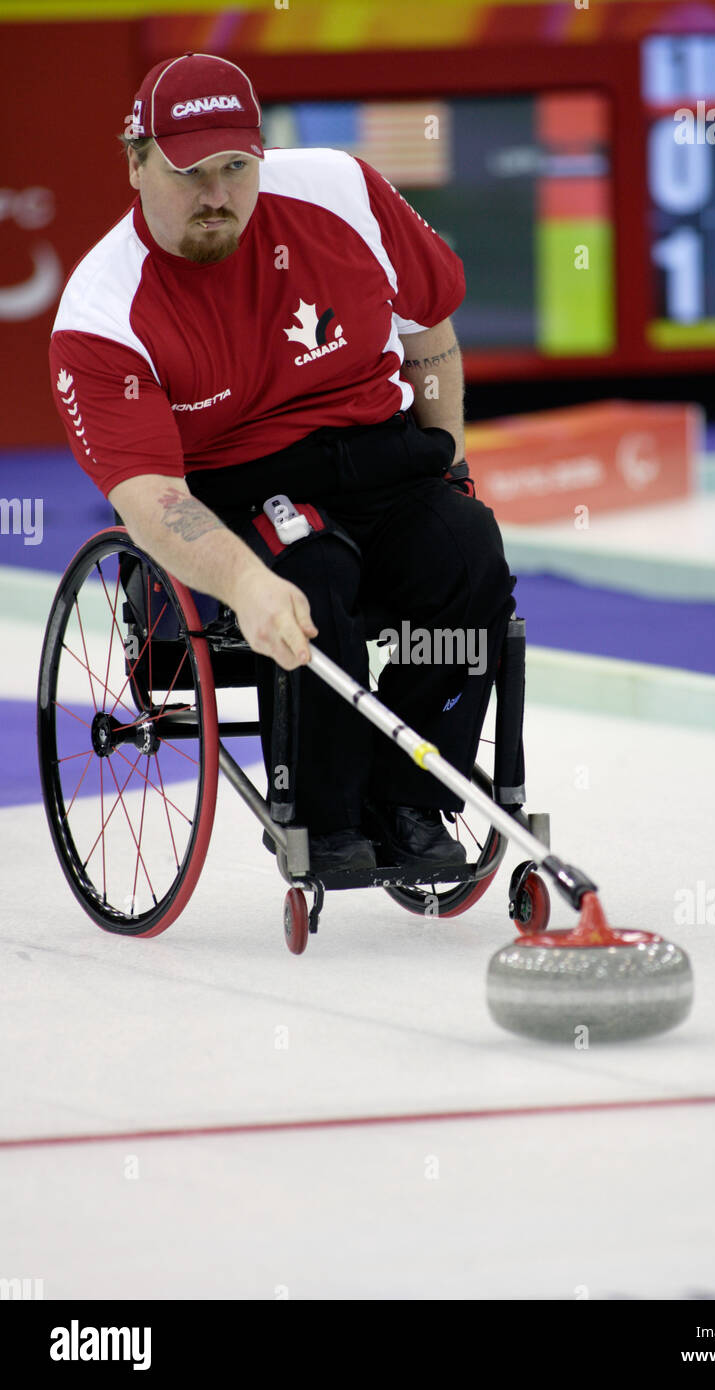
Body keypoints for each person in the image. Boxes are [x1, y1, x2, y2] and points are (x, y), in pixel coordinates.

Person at [49, 51, 515, 874]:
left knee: (467, 549)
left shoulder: (342, 191)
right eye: (190, 173)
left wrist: (452, 464)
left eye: (237, 167)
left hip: (379, 456)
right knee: (310, 573)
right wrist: (246, 585)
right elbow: (153, 500)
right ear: (135, 163)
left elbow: (428, 329)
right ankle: (324, 822)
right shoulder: (102, 312)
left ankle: (411, 798)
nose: (217, 195)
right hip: (239, 489)